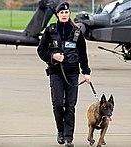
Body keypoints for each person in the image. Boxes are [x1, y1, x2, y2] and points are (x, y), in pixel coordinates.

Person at [37, 1, 91, 147]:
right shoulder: (50, 30)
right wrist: (53, 57)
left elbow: (83, 54)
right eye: (62, 12)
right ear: (58, 14)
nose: (64, 14)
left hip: (73, 73)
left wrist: (86, 72)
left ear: (69, 14)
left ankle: (68, 137)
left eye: (66, 12)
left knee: (70, 106)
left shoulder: (77, 32)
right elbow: (41, 50)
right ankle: (60, 131)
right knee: (58, 104)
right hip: (56, 72)